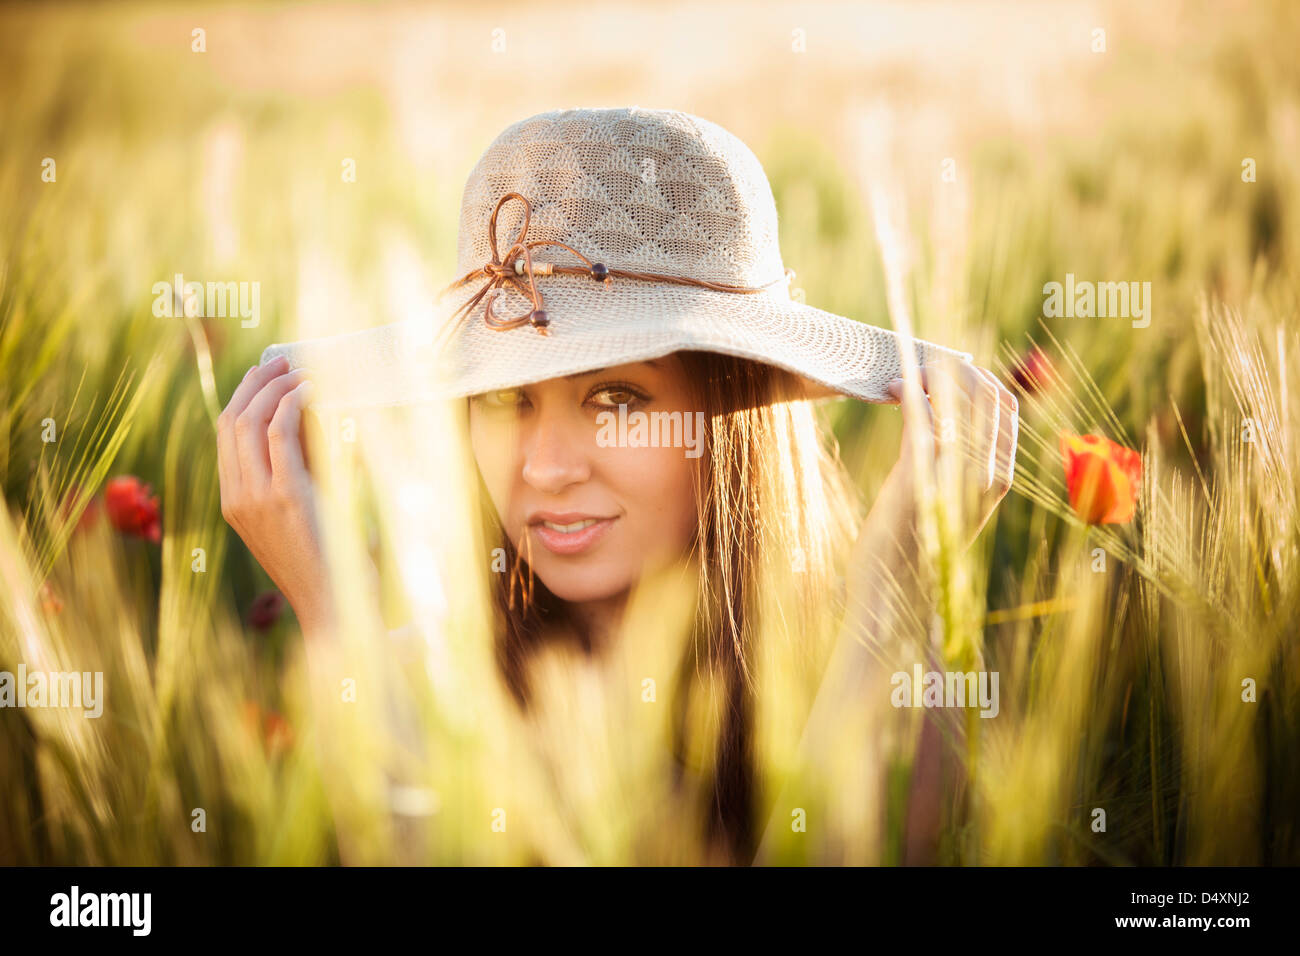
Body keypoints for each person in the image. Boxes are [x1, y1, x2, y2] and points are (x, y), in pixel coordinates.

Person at [218, 107, 1017, 864]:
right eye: (504, 398)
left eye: (617, 400)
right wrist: (337, 616)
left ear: (731, 408)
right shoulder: (406, 681)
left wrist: (896, 601)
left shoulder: (884, 674)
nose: (546, 468)